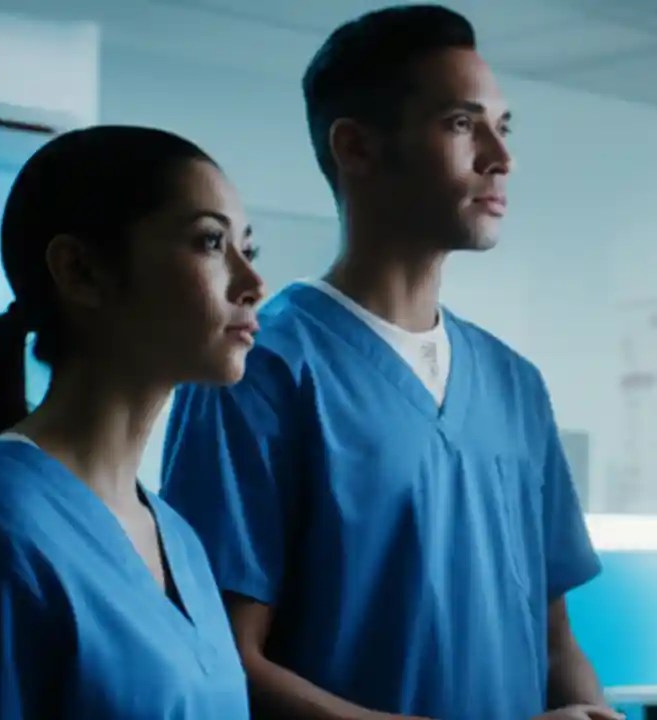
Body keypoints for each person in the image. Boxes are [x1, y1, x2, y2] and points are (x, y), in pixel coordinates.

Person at [159, 5, 619, 720]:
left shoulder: (515, 386)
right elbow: (226, 663)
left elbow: (557, 647)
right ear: (357, 148)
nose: (501, 157)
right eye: (463, 125)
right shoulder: (257, 371)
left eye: (505, 126)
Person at [0, 125, 264, 718]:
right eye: (209, 242)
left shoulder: (177, 537)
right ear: (80, 271)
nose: (253, 284)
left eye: (248, 250)